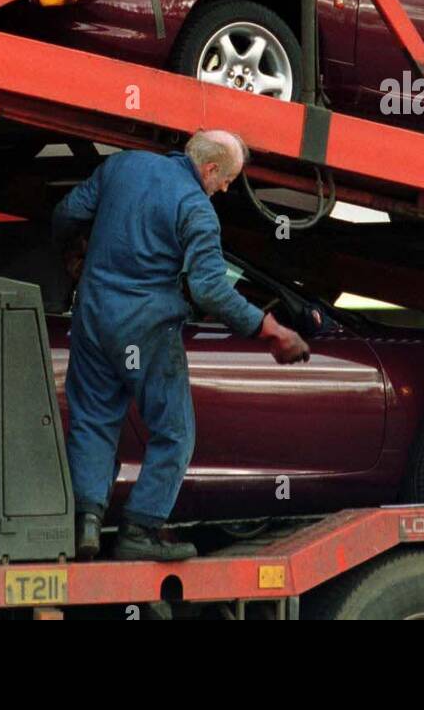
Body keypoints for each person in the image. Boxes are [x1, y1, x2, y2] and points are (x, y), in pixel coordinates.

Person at [52, 129, 310, 562]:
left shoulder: (122, 165)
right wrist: (270, 329)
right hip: (148, 328)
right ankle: (140, 530)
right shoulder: (196, 209)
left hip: (94, 317)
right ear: (209, 169)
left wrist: (77, 251)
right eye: (226, 179)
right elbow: (209, 290)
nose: (225, 188)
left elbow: (66, 212)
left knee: (94, 421)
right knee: (173, 432)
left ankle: (87, 524)